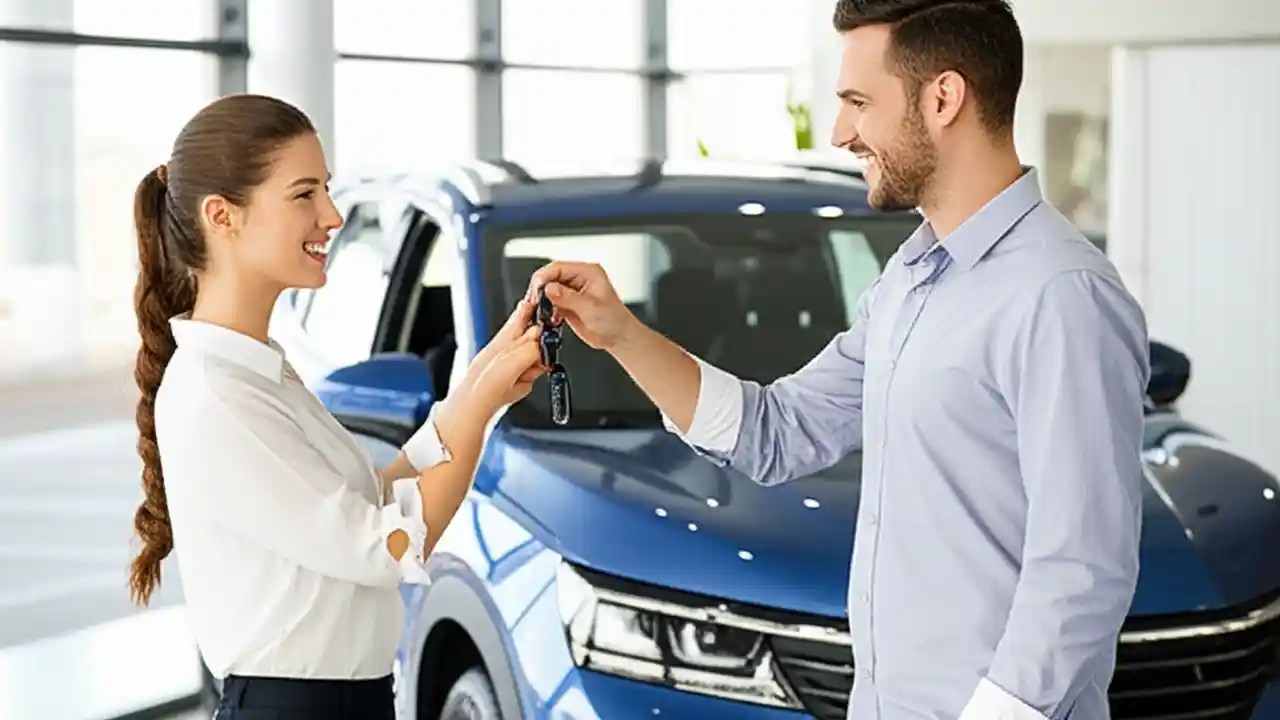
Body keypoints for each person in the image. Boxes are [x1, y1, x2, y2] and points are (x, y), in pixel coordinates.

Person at [525, 1, 1149, 718]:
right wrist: (621, 334)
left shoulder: (1059, 294)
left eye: (858, 101)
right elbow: (778, 429)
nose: (840, 132)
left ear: (943, 98)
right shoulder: (913, 281)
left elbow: (1082, 570)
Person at [126, 93, 546, 719]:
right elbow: (386, 547)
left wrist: (480, 382)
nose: (332, 215)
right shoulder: (218, 391)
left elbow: (375, 501)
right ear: (223, 216)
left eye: (326, 190)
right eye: (304, 195)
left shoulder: (258, 371)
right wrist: (480, 402)